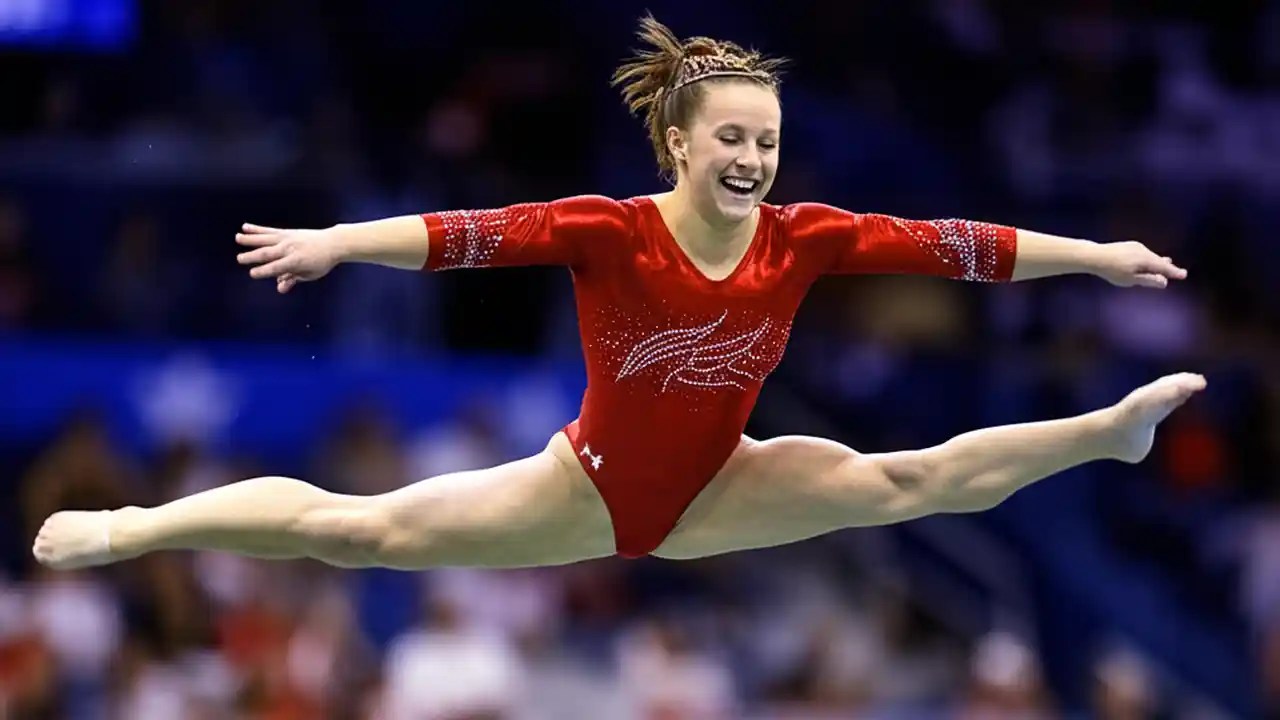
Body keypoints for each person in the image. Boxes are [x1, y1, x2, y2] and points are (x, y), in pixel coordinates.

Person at [33, 15, 1203, 571]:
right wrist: (339, 239)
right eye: (732, 139)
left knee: (910, 481)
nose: (752, 160)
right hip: (582, 488)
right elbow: (466, 236)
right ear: (680, 148)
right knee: (361, 528)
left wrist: (1094, 258)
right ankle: (142, 525)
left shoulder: (806, 238)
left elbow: (956, 245)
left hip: (726, 482)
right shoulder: (610, 231)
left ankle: (1108, 436)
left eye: (769, 142)